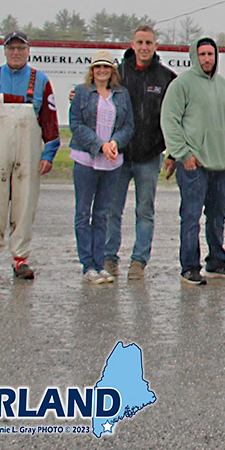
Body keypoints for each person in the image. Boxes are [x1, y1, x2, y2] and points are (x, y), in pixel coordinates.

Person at [0, 31, 60, 281]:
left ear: (28, 51)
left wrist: (49, 153)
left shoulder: (40, 81)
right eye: (11, 48)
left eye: (21, 48)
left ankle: (20, 257)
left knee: (25, 202)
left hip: (28, 151)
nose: (16, 53)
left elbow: (50, 120)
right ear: (5, 51)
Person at [161, 37, 225, 285]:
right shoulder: (181, 84)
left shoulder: (223, 86)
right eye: (202, 54)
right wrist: (183, 154)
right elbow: (170, 121)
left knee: (218, 215)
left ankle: (216, 262)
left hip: (220, 162)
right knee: (191, 215)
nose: (207, 59)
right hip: (193, 164)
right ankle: (189, 266)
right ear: (194, 57)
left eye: (211, 54)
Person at [104, 26, 177, 281]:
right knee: (112, 210)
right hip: (119, 156)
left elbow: (174, 117)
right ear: (132, 45)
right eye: (140, 42)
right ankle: (109, 258)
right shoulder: (117, 74)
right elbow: (97, 99)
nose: (144, 47)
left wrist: (172, 153)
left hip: (150, 156)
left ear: (156, 46)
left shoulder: (166, 78)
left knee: (145, 211)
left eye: (148, 42)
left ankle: (139, 260)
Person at [69, 52, 134, 284]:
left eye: (106, 67)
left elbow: (128, 125)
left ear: (112, 70)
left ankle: (100, 263)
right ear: (92, 70)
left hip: (112, 162)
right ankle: (88, 265)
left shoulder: (122, 94)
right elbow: (76, 124)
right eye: (98, 67)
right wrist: (100, 145)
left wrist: (115, 143)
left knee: (102, 214)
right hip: (85, 160)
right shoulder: (81, 92)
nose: (102, 71)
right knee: (83, 213)